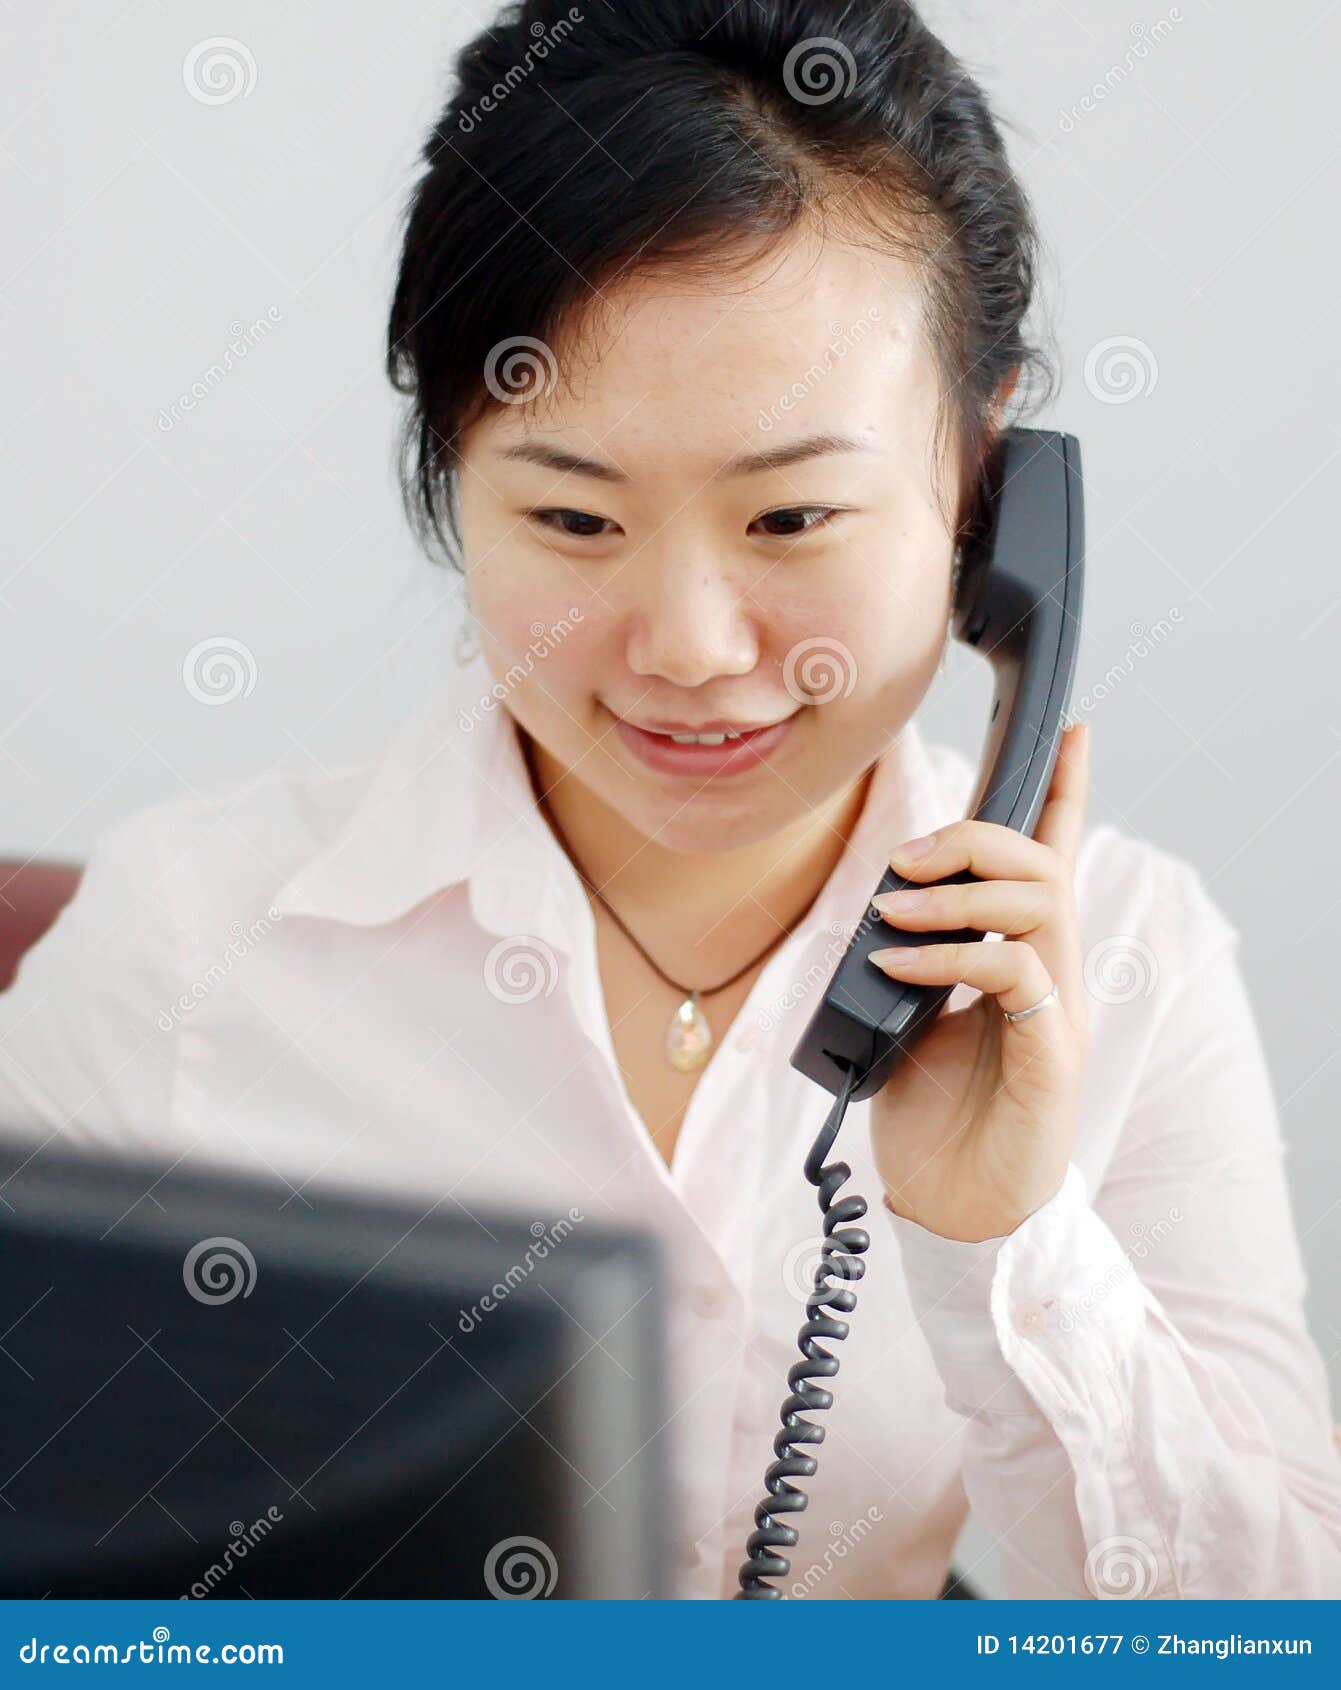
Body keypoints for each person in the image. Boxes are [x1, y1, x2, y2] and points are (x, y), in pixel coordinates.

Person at [2, 0, 1339, 1600]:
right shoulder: (192, 946)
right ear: (451, 481)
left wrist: (1002, 1241)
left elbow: (1255, 1629)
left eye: (789, 519)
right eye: (572, 519)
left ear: (986, 506)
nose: (691, 650)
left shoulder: (1129, 955)